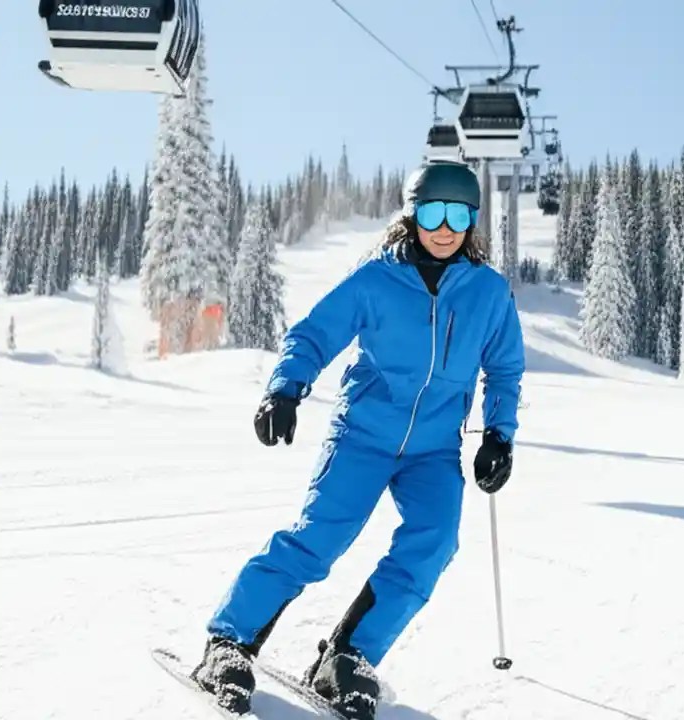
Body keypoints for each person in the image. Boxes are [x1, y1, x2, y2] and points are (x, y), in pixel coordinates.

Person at [189, 160, 525, 720]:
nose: (445, 227)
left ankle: (346, 658)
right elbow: (314, 334)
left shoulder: (488, 293)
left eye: (459, 214)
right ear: (411, 214)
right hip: (362, 436)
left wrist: (499, 434)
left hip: (434, 449)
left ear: (472, 221)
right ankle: (228, 642)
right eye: (433, 212)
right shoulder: (375, 280)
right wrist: (285, 389)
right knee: (317, 540)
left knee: (435, 542)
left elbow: (506, 368)